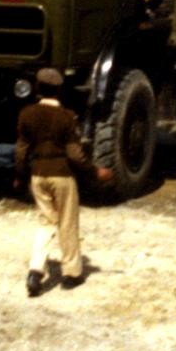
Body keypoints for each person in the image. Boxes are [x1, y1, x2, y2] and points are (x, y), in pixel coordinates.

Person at [13, 67, 112, 296]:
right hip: (62, 175)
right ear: (59, 90)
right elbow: (74, 154)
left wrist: (19, 175)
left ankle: (36, 271)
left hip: (38, 175)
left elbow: (21, 150)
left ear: (38, 88)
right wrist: (94, 171)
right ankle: (71, 273)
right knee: (67, 223)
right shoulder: (67, 117)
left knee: (45, 223)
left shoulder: (26, 114)